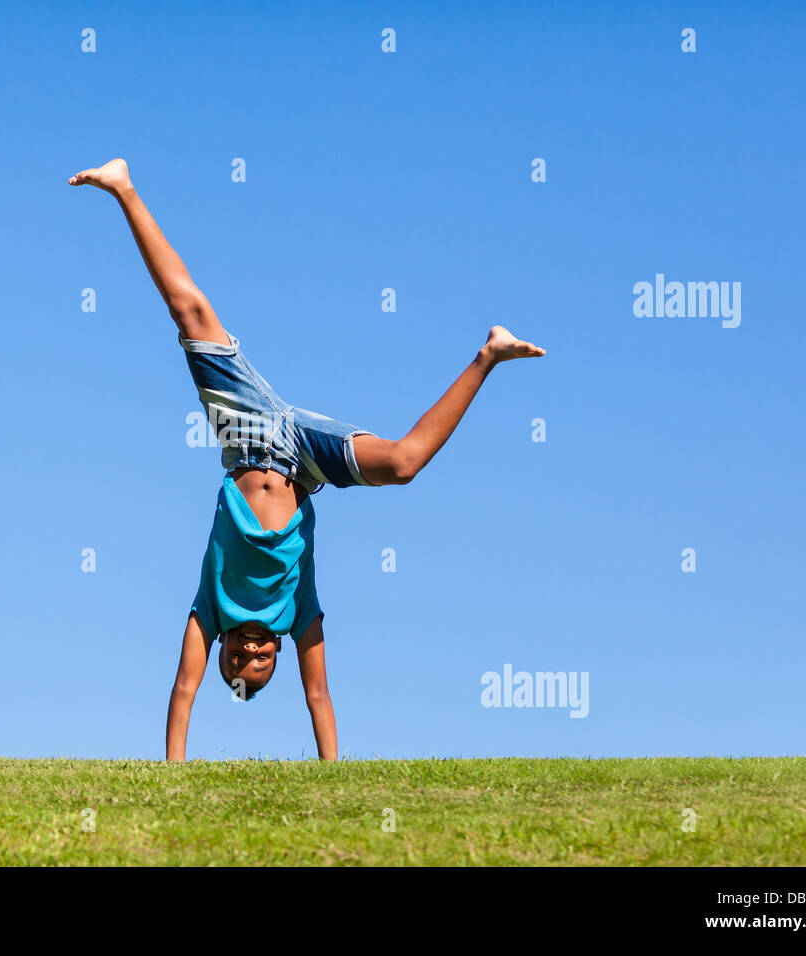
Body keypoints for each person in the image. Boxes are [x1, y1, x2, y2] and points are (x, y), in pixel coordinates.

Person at [69, 159, 546, 761]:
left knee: (188, 313)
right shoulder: (297, 614)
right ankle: (489, 355)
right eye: (262, 660)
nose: (251, 653)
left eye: (240, 659)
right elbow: (319, 697)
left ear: (221, 651)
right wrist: (333, 780)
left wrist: (172, 777)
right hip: (305, 460)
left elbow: (183, 690)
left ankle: (123, 186)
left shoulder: (209, 611)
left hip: (246, 432)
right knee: (402, 464)